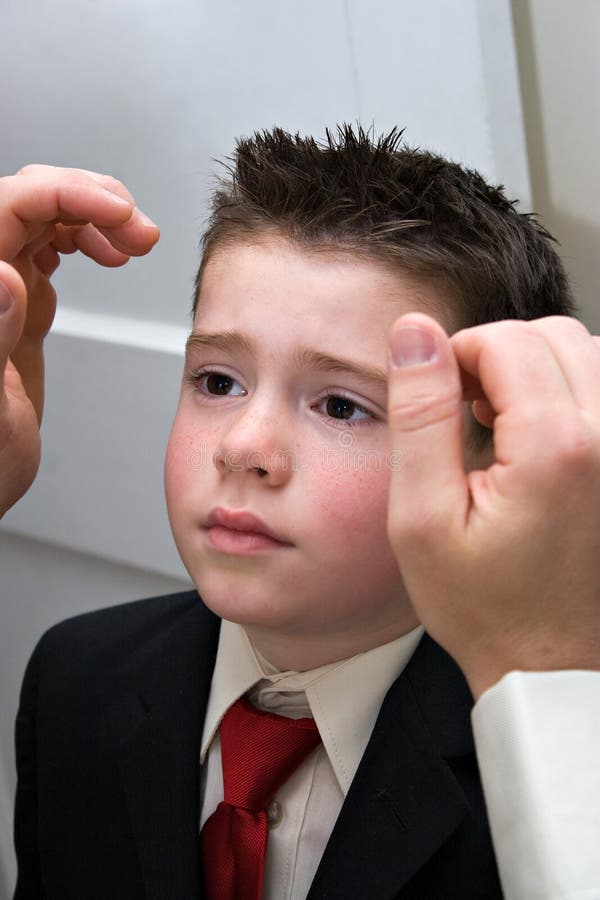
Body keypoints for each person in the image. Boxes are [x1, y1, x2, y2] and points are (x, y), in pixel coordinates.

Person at [1, 128, 599, 900]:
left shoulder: (555, 756)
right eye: (218, 382)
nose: (245, 446)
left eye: (343, 405)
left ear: (489, 457)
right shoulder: (76, 677)